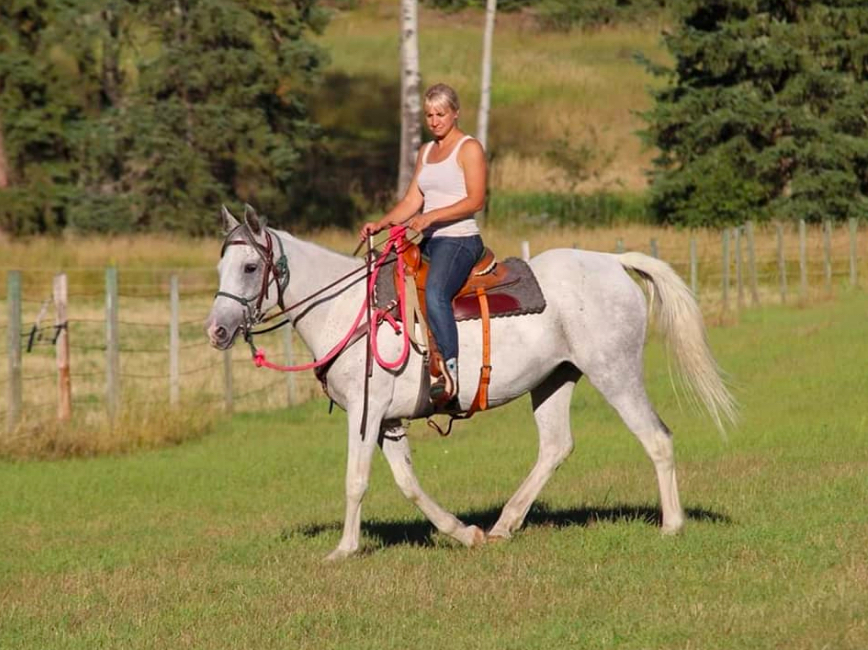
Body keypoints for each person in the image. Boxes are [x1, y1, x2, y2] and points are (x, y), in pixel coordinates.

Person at [359, 83, 486, 405]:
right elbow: (413, 199)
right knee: (384, 286)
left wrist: (432, 218)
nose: (434, 120)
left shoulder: (469, 148)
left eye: (440, 114)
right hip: (430, 240)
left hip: (459, 239)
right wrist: (384, 222)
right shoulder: (426, 152)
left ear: (455, 113)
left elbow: (475, 200)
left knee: (434, 293)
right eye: (429, 115)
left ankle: (449, 372)